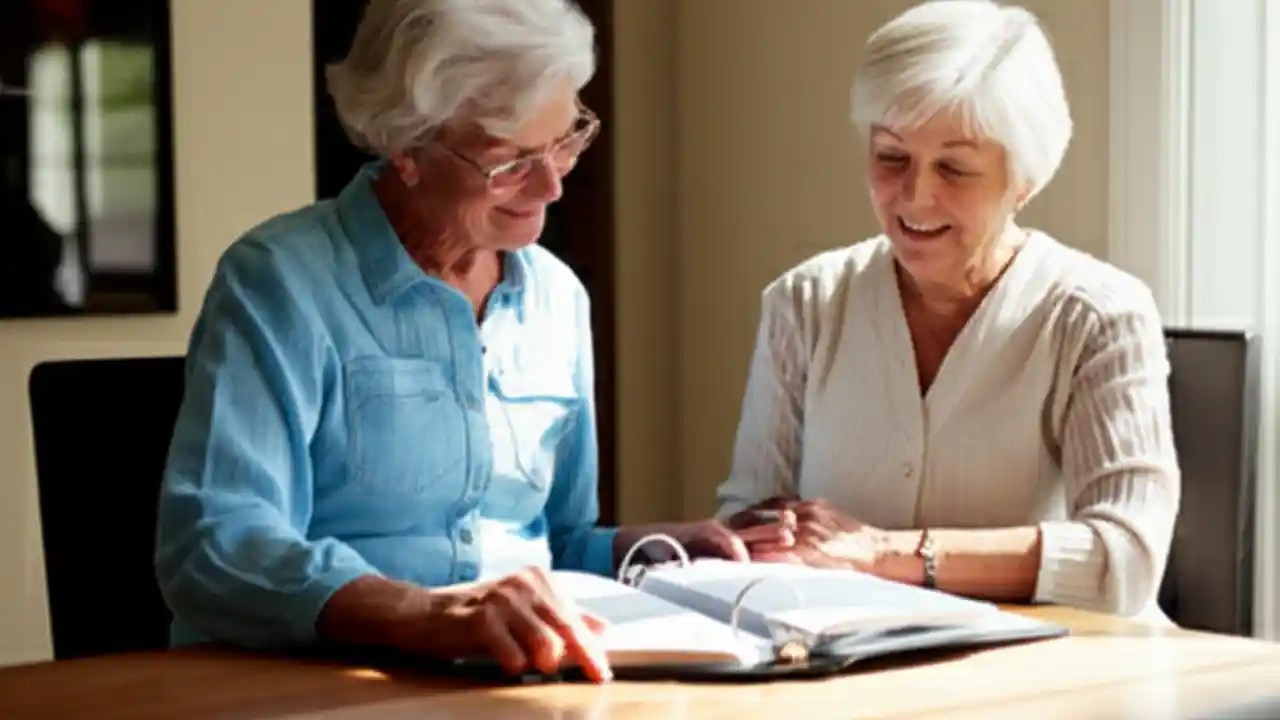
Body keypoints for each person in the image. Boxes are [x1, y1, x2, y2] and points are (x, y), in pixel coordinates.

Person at [155, 0, 786, 683]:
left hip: (508, 680)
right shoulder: (280, 282)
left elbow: (553, 540)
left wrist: (649, 550)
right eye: (509, 161)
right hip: (313, 684)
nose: (550, 187)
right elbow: (215, 545)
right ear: (407, 148)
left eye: (565, 141)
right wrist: (424, 615)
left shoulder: (556, 297)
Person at [717, 0, 1180, 619]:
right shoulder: (805, 304)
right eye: (891, 157)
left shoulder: (1096, 317)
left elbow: (1126, 559)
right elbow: (745, 528)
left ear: (1023, 180)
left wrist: (885, 553)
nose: (916, 195)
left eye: (955, 168)